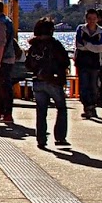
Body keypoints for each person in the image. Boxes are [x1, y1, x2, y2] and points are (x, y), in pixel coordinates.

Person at [24, 17, 70, 149]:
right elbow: (65, 61)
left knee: (41, 110)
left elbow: (28, 65)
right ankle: (60, 137)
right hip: (53, 81)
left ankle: (41, 139)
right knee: (61, 107)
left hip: (37, 81)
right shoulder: (55, 45)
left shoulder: (34, 46)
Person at [74, 8, 102, 119]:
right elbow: (79, 44)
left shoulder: (101, 31)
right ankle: (86, 106)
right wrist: (93, 45)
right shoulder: (81, 29)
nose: (92, 21)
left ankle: (92, 106)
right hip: (82, 62)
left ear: (97, 19)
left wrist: (87, 44)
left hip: (95, 62)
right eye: (89, 18)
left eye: (94, 18)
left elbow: (101, 47)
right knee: (84, 85)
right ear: (86, 19)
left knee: (94, 85)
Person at [0, 0, 19, 127]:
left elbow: (1, 43)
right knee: (2, 86)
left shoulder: (0, 23)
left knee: (4, 86)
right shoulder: (8, 20)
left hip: (4, 59)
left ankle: (7, 113)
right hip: (10, 57)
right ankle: (2, 111)